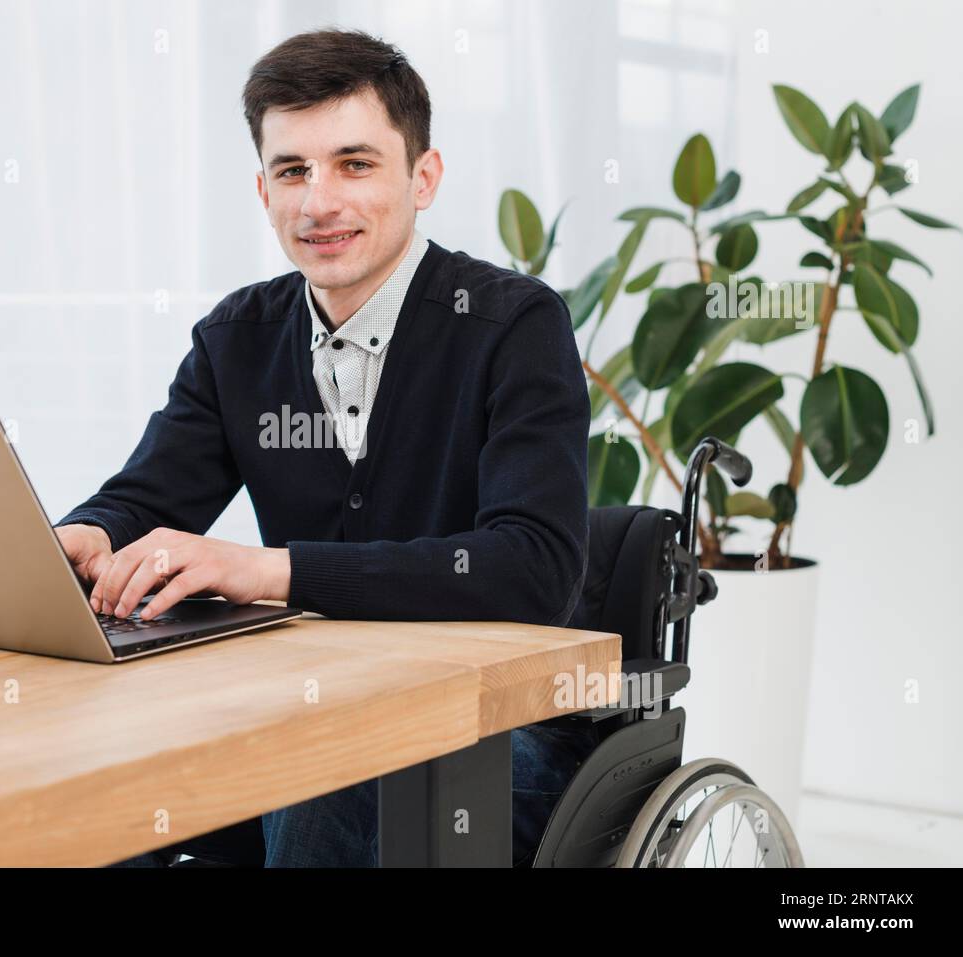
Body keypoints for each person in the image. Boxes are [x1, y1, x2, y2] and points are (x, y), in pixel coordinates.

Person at [55, 28, 596, 867]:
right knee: (106, 770)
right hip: (304, 712)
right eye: (292, 170)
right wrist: (87, 532)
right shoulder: (238, 337)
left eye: (355, 163)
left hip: (494, 728)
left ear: (424, 177)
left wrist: (271, 570)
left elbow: (534, 567)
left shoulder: (513, 326)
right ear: (263, 188)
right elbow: (145, 502)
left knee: (332, 765)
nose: (318, 202)